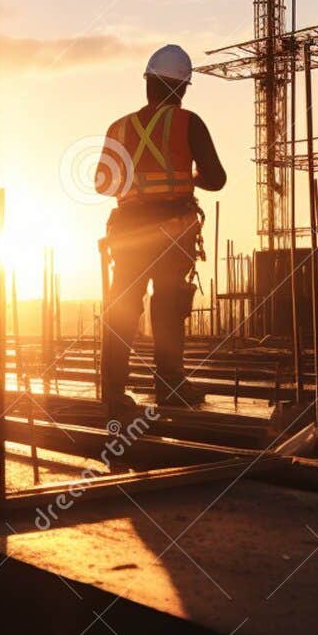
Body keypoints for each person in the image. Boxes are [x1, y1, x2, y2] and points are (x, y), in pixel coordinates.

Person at [97, 44, 225, 418]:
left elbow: (103, 184)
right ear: (183, 88)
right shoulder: (189, 123)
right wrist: (187, 178)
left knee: (122, 307)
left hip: (129, 234)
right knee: (168, 305)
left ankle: (114, 390)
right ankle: (170, 386)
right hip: (172, 231)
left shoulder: (118, 128)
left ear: (148, 83)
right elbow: (216, 178)